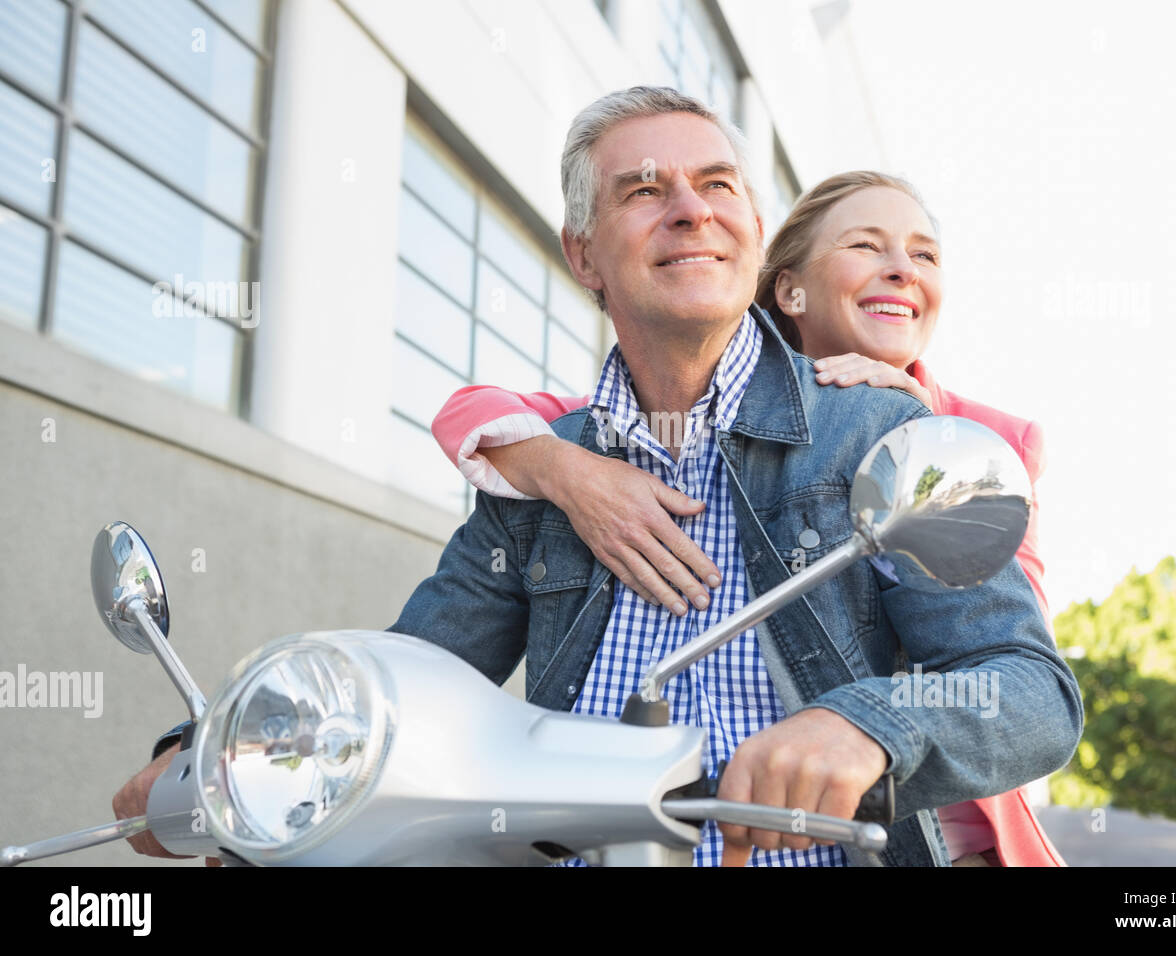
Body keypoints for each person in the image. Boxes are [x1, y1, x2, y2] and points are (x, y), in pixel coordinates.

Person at [113, 86, 1082, 867]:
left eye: (717, 185)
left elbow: (1030, 689)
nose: (691, 209)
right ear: (583, 254)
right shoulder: (542, 474)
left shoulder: (880, 430)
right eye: (643, 191)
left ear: (753, 230)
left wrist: (865, 724)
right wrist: (217, 755)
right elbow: (401, 679)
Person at [431, 171, 1060, 865]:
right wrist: (561, 470)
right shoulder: (599, 436)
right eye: (865, 245)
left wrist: (868, 727)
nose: (902, 270)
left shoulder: (952, 439)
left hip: (945, 824)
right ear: (789, 290)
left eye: (925, 254)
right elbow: (475, 413)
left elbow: (1020, 672)